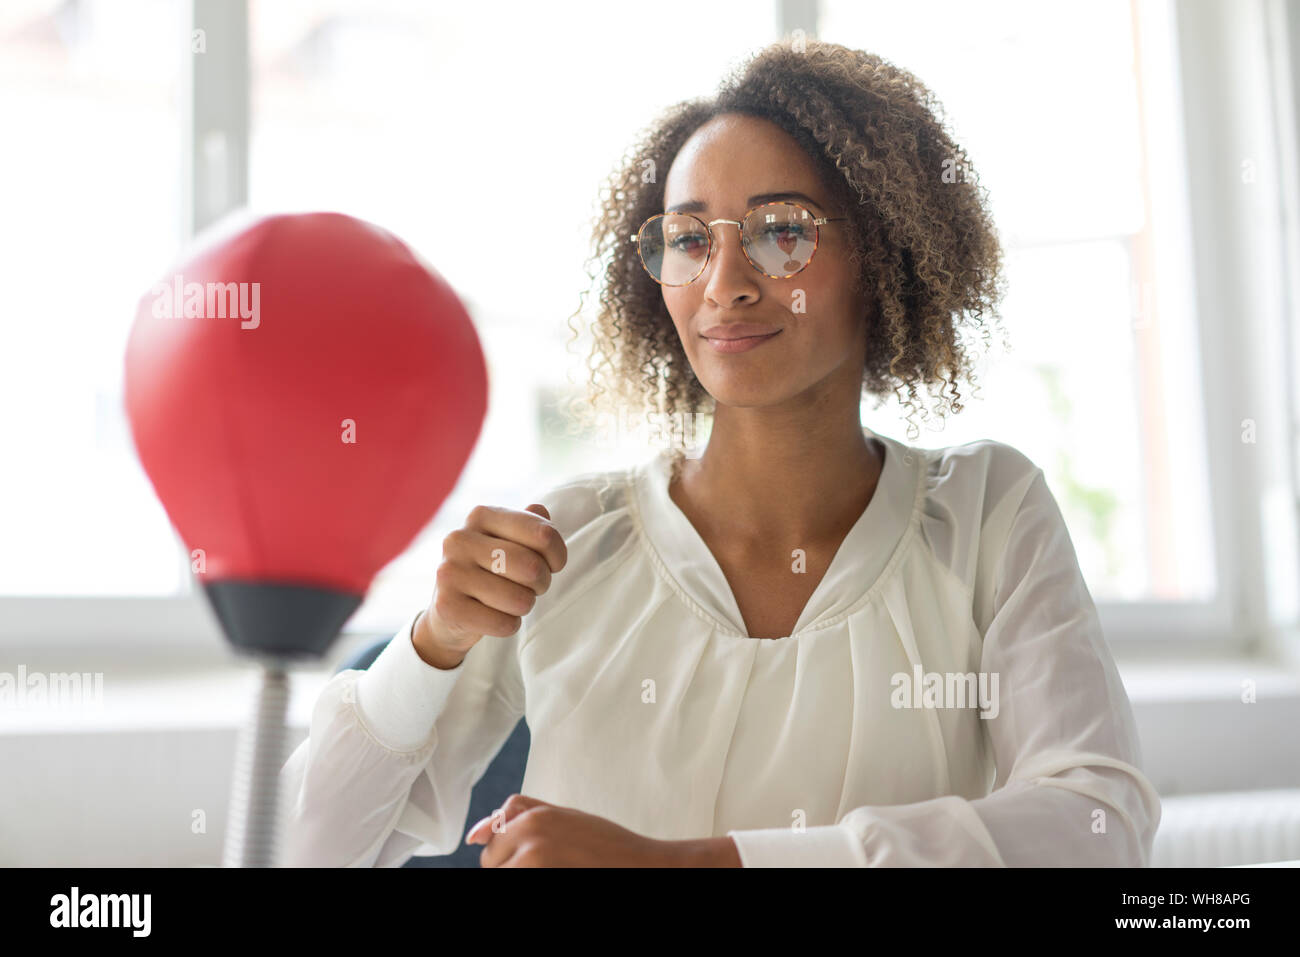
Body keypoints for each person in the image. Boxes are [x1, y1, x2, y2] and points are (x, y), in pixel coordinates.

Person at [279, 38, 1161, 867]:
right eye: (690, 240)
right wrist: (436, 642)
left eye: (784, 232)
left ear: (884, 254)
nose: (726, 285)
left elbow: (1098, 821)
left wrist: (699, 863)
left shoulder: (986, 513)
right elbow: (307, 849)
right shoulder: (569, 539)